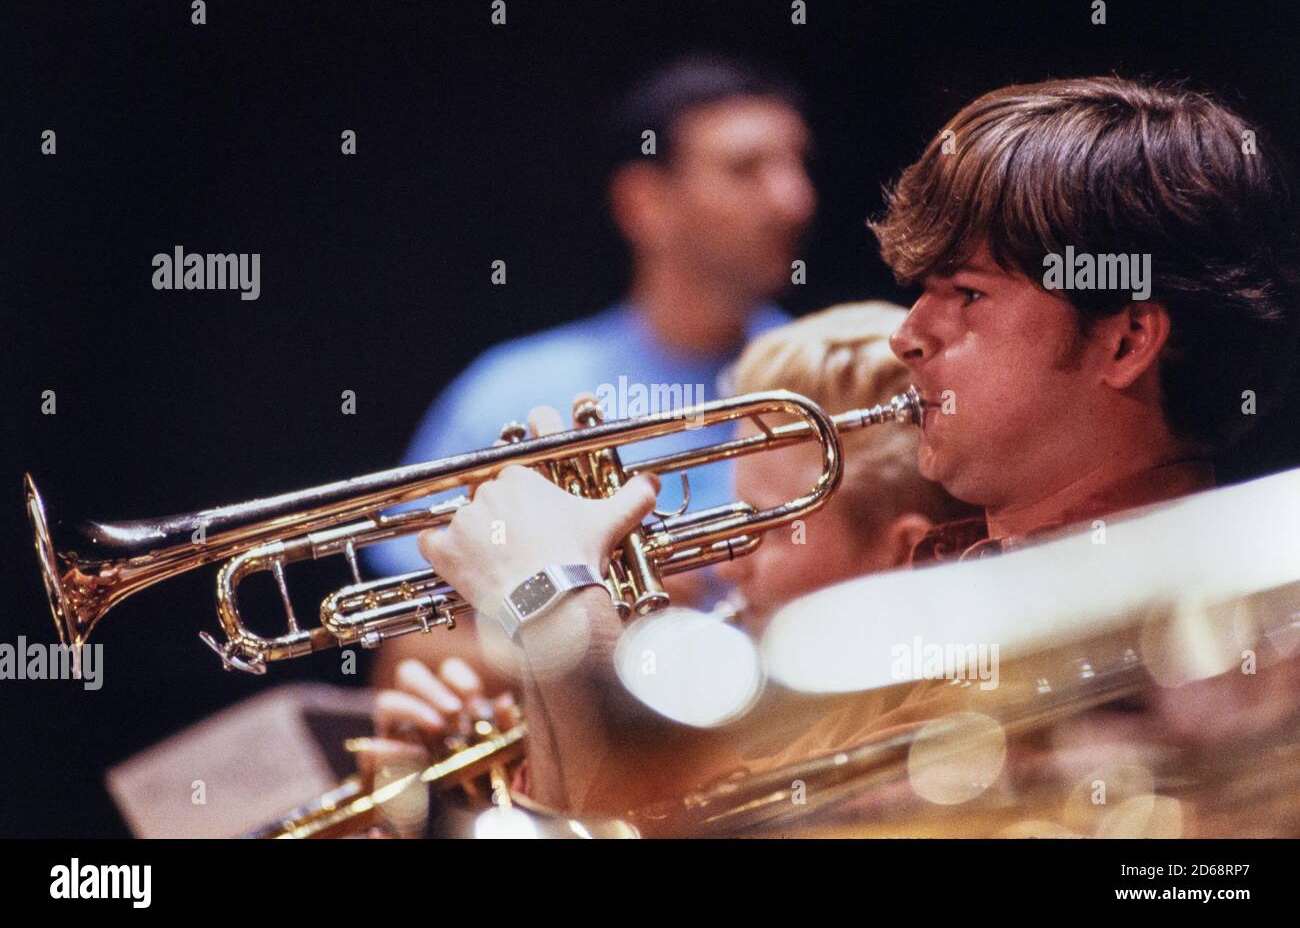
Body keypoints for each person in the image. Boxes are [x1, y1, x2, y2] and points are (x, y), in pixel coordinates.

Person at [409, 76, 1300, 815]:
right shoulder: (935, 591)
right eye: (920, 293)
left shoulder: (1181, 657)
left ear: (1124, 340)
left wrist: (551, 595)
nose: (908, 335)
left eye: (967, 296)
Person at [361, 302, 970, 780]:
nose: (726, 570)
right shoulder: (740, 720)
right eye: (738, 519)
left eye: (772, 527)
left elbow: (624, 806)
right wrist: (456, 798)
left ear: (903, 554)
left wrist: (553, 594)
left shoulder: (907, 754)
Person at [364, 53, 817, 689]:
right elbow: (402, 651)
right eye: (746, 170)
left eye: (797, 164)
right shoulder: (507, 393)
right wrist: (581, 627)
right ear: (643, 204)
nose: (794, 199)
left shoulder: (833, 376)